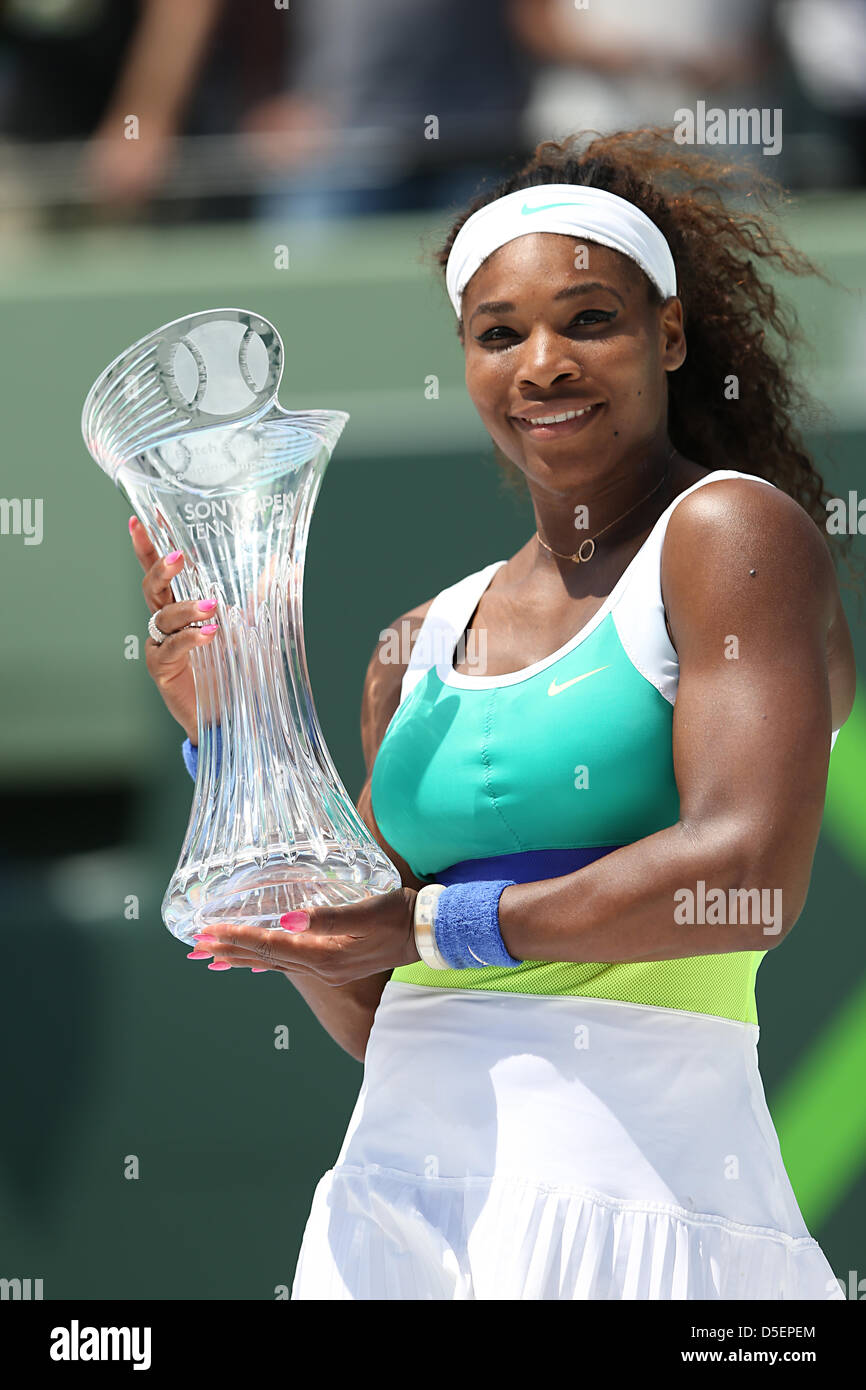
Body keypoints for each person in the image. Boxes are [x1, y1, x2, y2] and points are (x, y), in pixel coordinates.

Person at [129, 128, 856, 1300]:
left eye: (588, 320)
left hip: (641, 1215)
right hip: (387, 1221)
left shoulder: (729, 535)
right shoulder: (410, 647)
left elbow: (751, 877)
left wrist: (425, 922)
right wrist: (232, 732)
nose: (542, 364)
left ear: (668, 333)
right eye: (498, 333)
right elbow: (377, 1009)